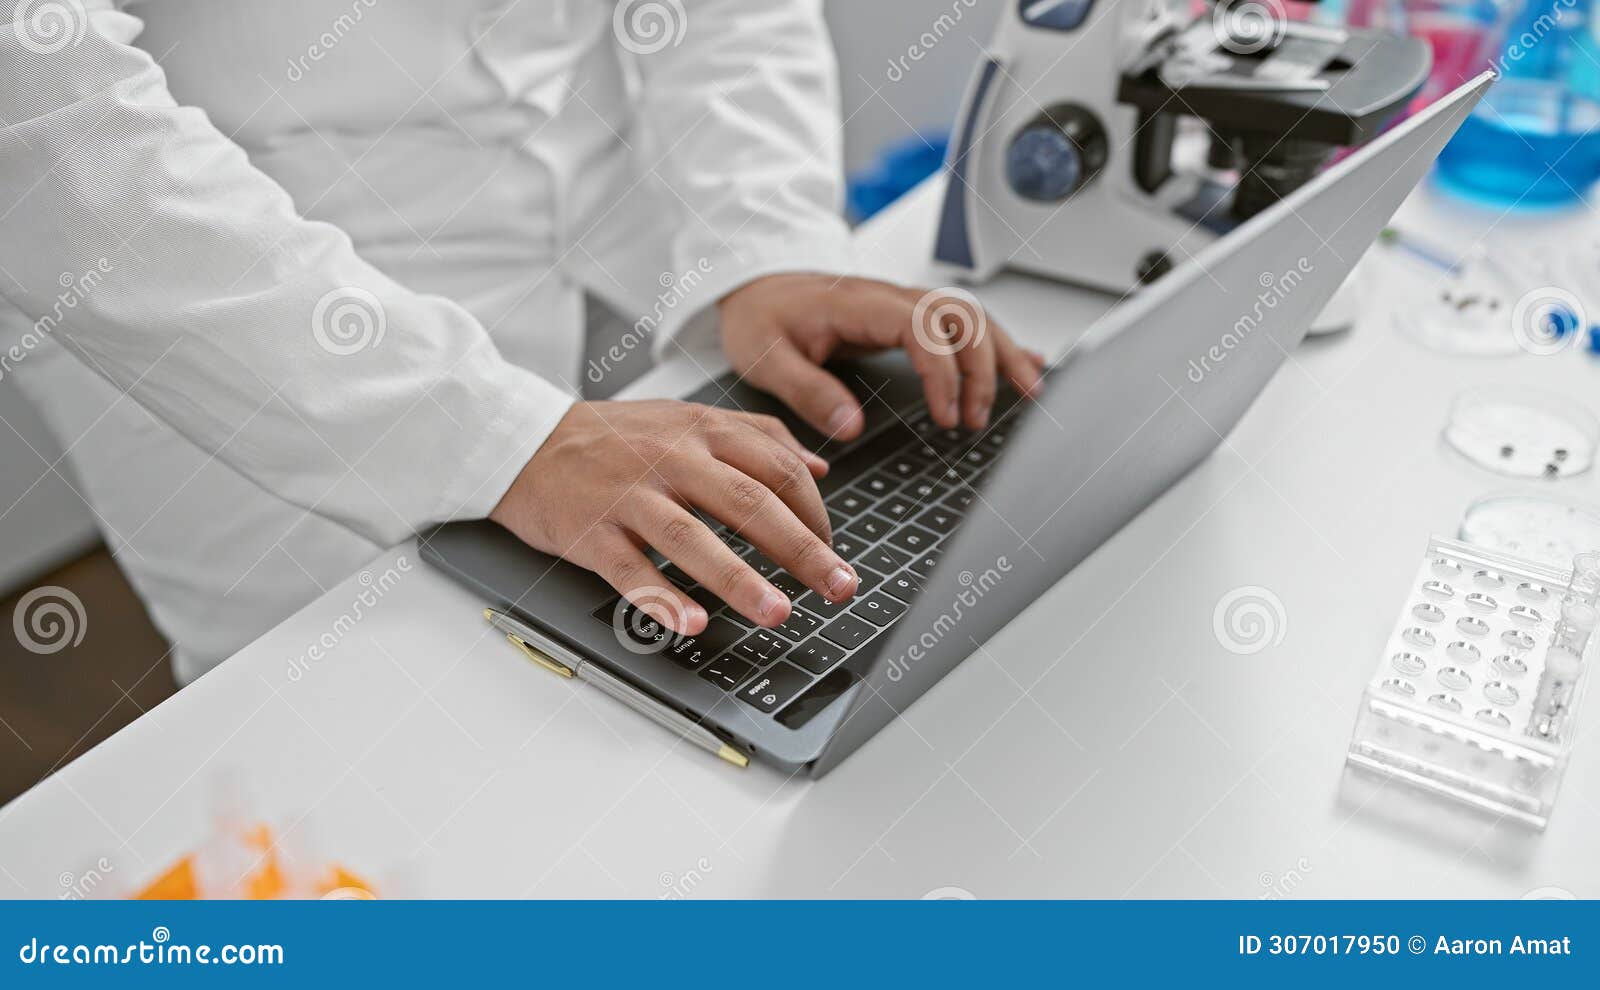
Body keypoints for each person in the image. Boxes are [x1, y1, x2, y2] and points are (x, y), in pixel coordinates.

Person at [0, 0, 1042, 682]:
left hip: (606, 180)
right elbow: (51, 127)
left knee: (688, 679)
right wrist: (502, 442)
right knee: (355, 719)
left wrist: (763, 241)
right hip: (236, 279)